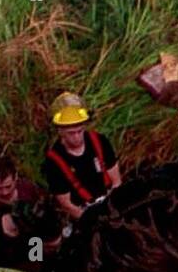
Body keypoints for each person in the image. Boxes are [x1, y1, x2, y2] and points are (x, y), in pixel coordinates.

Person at [0, 155, 61, 272]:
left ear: (15, 178)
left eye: (8, 186)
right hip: (14, 257)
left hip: (39, 241)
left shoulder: (27, 189)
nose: (5, 192)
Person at [41, 91, 121, 221]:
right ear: (60, 131)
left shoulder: (99, 141)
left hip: (110, 203)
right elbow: (67, 204)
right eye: (71, 133)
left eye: (80, 131)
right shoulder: (54, 161)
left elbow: (116, 181)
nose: (77, 137)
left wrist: (113, 210)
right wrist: (91, 221)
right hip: (83, 212)